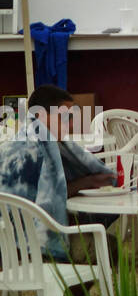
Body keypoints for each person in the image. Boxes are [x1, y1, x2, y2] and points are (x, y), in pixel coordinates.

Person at [0, 86, 117, 277]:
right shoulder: (43, 147)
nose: (70, 125)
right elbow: (51, 197)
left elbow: (41, 191)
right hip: (30, 245)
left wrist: (87, 181)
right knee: (106, 245)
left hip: (6, 242)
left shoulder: (15, 143)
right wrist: (88, 182)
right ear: (42, 115)